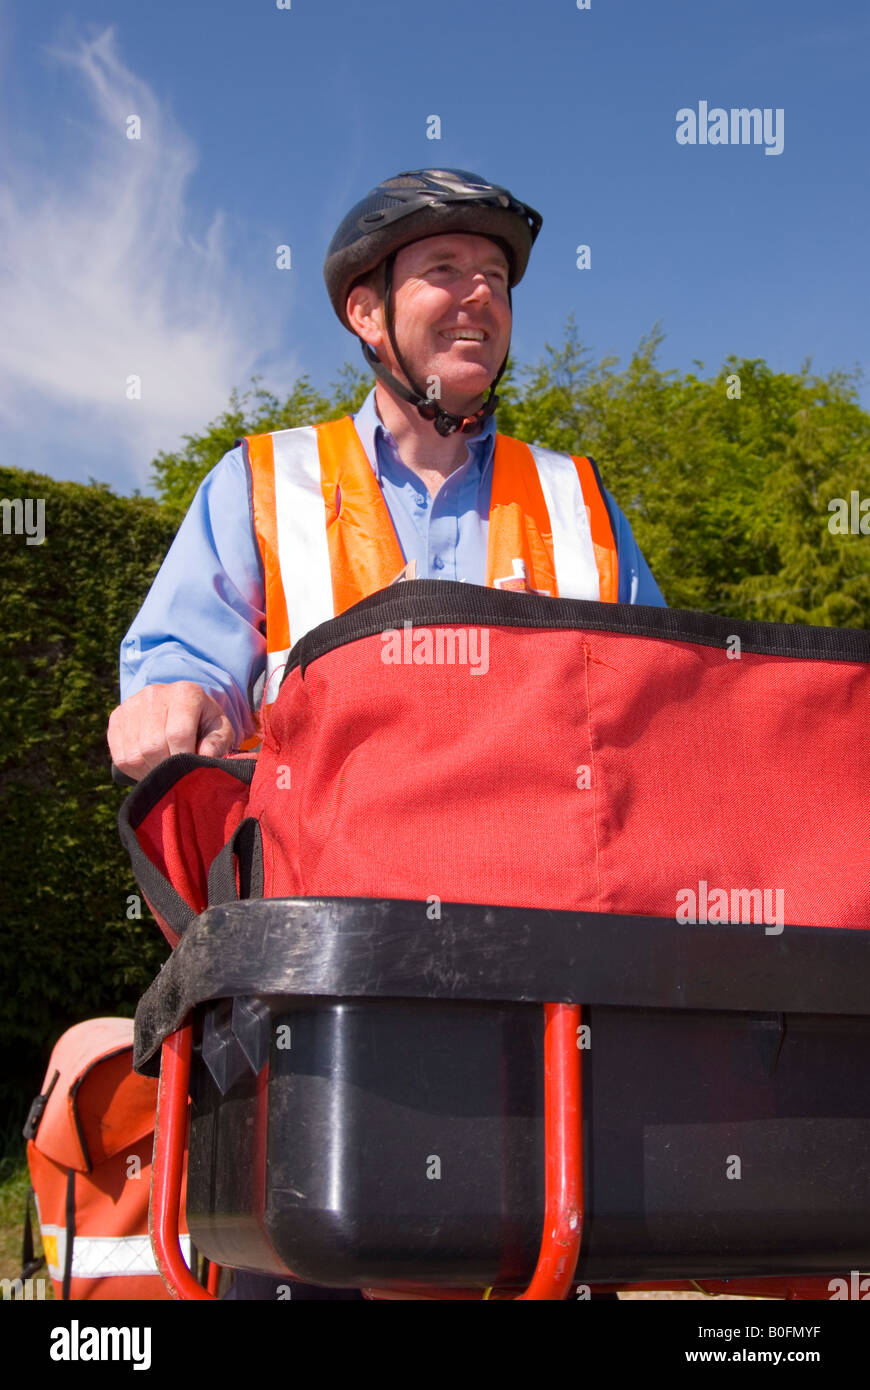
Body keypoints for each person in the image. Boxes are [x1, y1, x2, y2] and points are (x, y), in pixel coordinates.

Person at [108, 168, 665, 782]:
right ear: (368, 313)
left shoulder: (579, 498)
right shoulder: (261, 481)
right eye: (445, 268)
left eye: (497, 277)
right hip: (320, 872)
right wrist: (176, 696)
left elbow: (663, 697)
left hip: (546, 868)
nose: (481, 292)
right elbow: (188, 658)